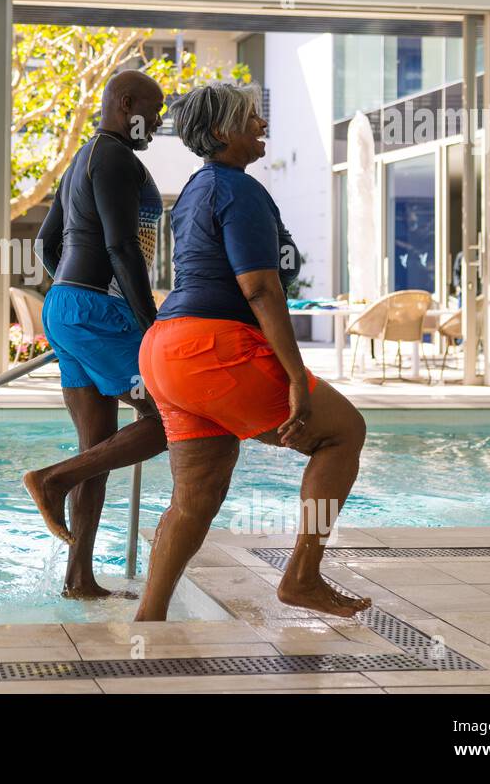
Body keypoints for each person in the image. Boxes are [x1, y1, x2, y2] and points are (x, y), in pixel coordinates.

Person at [133, 82, 372, 621]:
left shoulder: (197, 188)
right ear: (221, 132)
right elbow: (260, 287)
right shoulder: (238, 189)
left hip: (166, 352)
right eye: (250, 118)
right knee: (342, 432)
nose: (261, 126)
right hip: (212, 347)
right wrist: (296, 377)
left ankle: (149, 620)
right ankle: (303, 577)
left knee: (196, 498)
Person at [25, 70, 169, 599]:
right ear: (125, 102)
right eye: (152, 112)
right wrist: (150, 325)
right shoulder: (114, 157)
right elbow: (122, 246)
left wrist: (71, 293)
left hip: (65, 305)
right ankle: (52, 479)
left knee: (100, 448)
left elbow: (46, 241)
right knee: (171, 418)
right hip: (100, 308)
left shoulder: (81, 159)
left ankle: (79, 578)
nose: (156, 122)